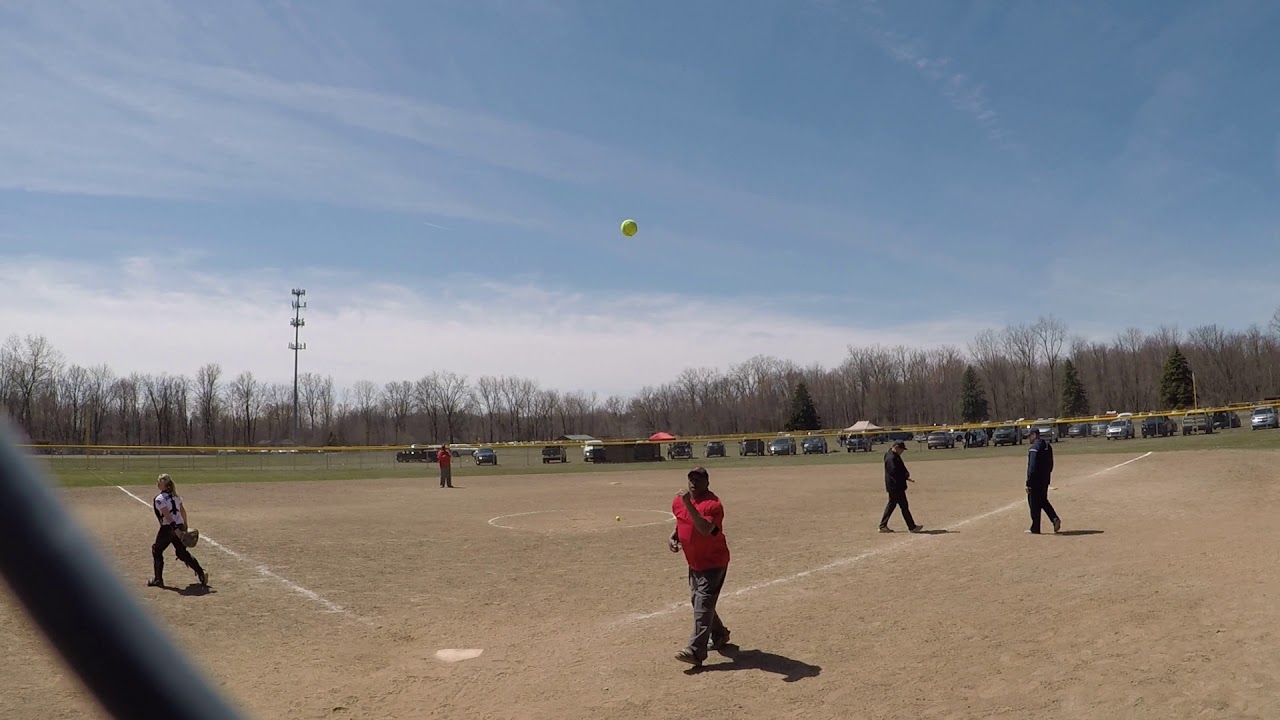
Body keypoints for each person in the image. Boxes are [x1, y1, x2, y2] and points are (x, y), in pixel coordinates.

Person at [668, 466, 731, 668]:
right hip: (694, 561)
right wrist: (675, 536)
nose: (693, 483)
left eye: (698, 480)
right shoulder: (678, 501)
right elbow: (681, 521)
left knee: (702, 604)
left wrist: (688, 503)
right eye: (690, 479)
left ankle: (695, 652)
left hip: (714, 562)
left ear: (707, 482)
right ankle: (720, 634)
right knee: (699, 602)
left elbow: (704, 529)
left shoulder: (713, 504)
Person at [149, 473, 209, 589]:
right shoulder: (176, 496)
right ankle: (201, 573)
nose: (157, 483)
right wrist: (184, 527)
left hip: (169, 528)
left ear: (163, 484)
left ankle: (158, 580)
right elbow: (183, 512)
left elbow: (168, 517)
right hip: (180, 525)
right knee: (181, 552)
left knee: (157, 550)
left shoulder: (159, 499)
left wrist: (176, 530)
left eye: (159, 482)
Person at [880, 440, 923, 533]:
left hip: (895, 485)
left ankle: (883, 525)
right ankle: (912, 527)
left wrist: (906, 476)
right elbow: (894, 472)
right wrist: (904, 476)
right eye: (901, 449)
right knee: (904, 506)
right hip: (895, 486)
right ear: (896, 447)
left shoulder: (893, 456)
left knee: (891, 505)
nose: (902, 451)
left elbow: (898, 470)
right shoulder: (891, 457)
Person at [1026, 428, 1062, 534]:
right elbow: (1051, 464)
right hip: (1045, 479)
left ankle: (1035, 528)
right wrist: (1047, 476)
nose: (1028, 438)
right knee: (1042, 500)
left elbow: (1032, 467)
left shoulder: (1034, 448)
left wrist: (1029, 482)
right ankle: (1054, 519)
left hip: (1035, 481)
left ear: (1034, 435)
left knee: (1034, 504)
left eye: (1029, 436)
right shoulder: (1047, 446)